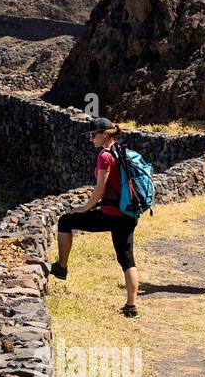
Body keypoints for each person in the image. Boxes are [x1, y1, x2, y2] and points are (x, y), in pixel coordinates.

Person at [48, 117, 140, 318]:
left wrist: (84, 208)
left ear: (105, 134)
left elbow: (100, 189)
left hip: (111, 214)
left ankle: (61, 267)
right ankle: (131, 308)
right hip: (128, 213)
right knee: (127, 259)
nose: (91, 139)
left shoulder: (105, 156)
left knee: (65, 221)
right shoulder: (123, 151)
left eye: (93, 135)